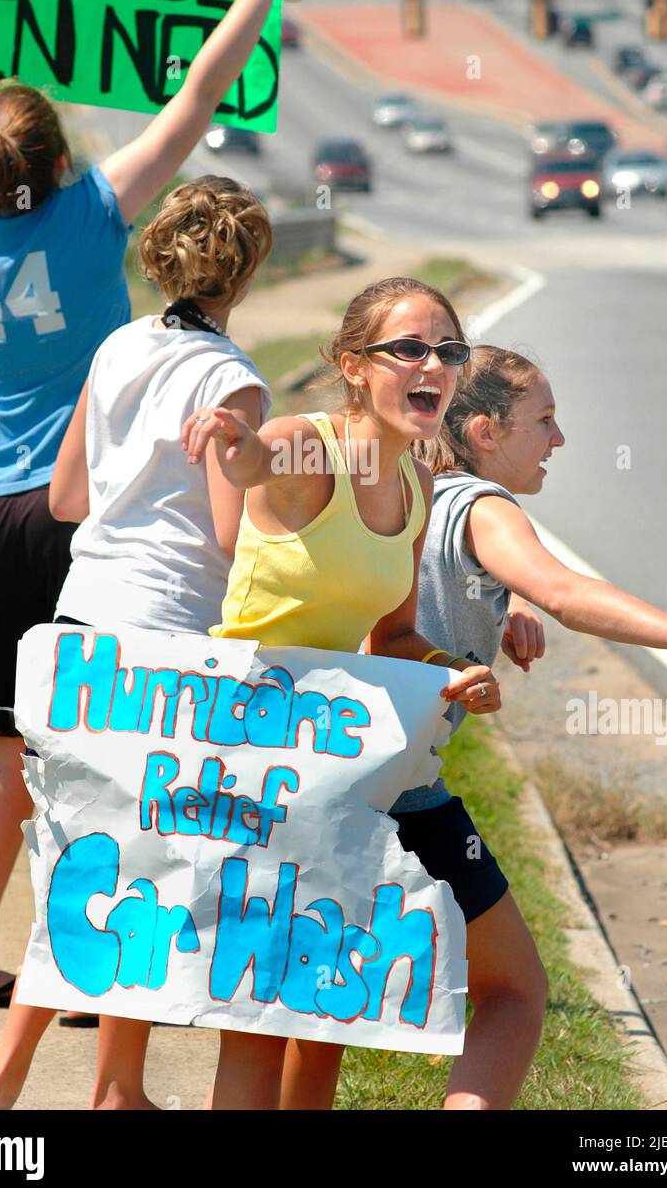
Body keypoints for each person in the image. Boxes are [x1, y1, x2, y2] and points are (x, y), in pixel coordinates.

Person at [0, 0, 305, 1032]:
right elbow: (197, 94)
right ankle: (90, 961)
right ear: (59, 157)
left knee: (1, 741)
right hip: (80, 515)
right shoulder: (89, 218)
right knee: (101, 744)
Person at [281, 344, 667, 1110]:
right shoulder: (485, 508)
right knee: (514, 993)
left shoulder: (406, 484)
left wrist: (507, 600)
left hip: (315, 768)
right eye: (545, 420)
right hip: (399, 791)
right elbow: (565, 589)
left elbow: (440, 580)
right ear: (488, 434)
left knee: (319, 1002)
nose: (560, 439)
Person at [0, 175, 277, 1110]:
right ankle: (106, 1090)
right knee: (152, 869)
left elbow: (65, 501)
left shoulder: (118, 345)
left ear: (158, 257)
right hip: (169, 637)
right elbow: (228, 534)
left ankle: (31, 1081)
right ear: (245, 272)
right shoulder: (232, 380)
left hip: (83, 621)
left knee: (83, 857)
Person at [181, 276, 503, 1109]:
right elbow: (260, 457)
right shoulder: (310, 446)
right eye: (408, 349)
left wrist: (450, 669)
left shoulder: (419, 485)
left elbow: (391, 637)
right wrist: (233, 440)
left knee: (327, 1012)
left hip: (333, 767)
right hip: (247, 757)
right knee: (256, 1016)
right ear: (354, 365)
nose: (432, 365)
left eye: (448, 351)